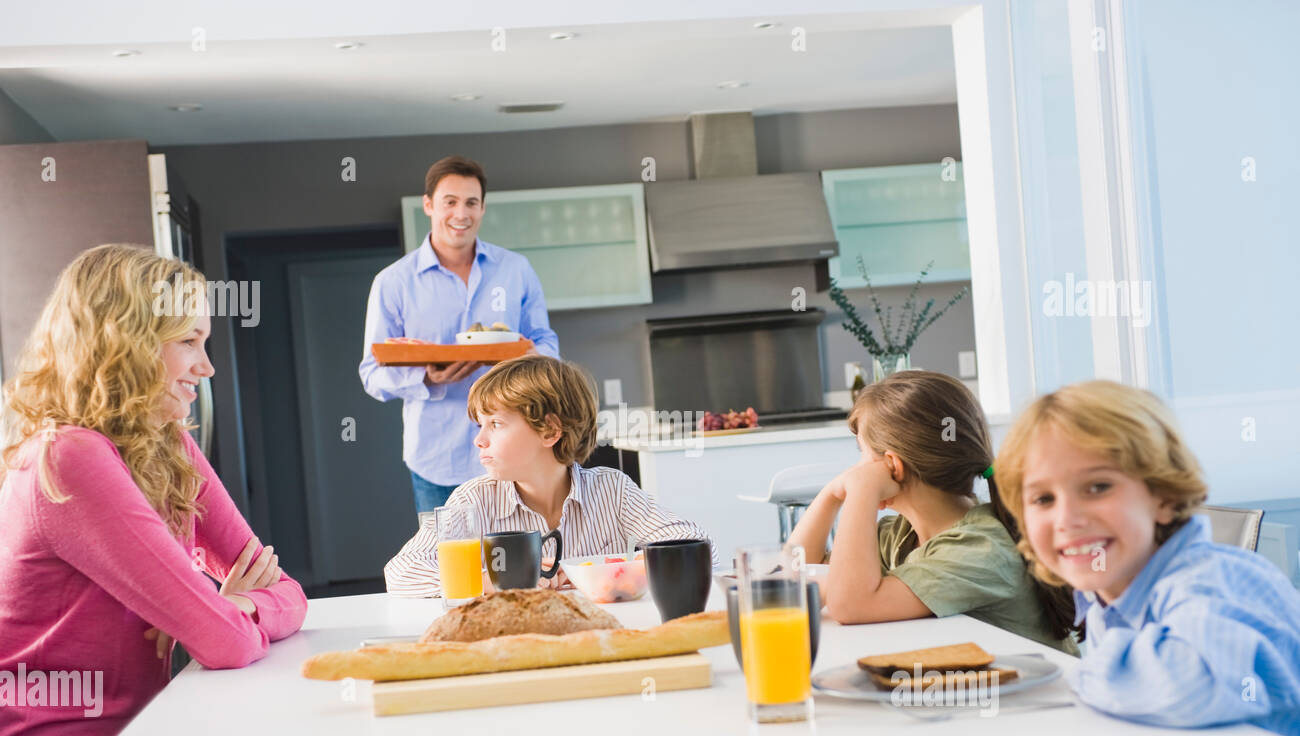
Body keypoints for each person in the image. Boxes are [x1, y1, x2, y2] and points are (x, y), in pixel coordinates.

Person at [0, 245, 308, 736]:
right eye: (189, 342)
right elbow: (219, 641)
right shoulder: (68, 456)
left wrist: (235, 607)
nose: (207, 367)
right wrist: (218, 613)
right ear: (129, 341)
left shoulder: (164, 443)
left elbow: (286, 593)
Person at [994, 379, 1300, 736]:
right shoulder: (1106, 599)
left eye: (1098, 487)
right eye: (1044, 499)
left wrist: (1084, 675)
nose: (1066, 519)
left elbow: (1189, 688)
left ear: (1164, 496)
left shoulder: (1209, 580)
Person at [787, 370, 1076, 652]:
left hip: (1041, 698)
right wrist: (831, 495)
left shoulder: (980, 548)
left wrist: (861, 491)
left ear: (893, 466)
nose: (855, 471)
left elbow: (849, 606)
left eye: (862, 453)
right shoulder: (900, 534)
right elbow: (794, 574)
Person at [384, 354, 716, 595]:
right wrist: (488, 580)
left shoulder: (612, 490)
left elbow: (695, 545)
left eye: (495, 424)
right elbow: (401, 571)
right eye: (479, 425)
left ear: (549, 431)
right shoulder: (475, 499)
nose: (479, 439)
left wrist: (615, 572)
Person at [359, 155, 560, 515]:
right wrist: (425, 377)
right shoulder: (393, 282)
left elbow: (546, 344)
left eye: (471, 202)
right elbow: (371, 374)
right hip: (437, 459)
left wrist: (529, 358)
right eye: (449, 202)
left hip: (515, 452)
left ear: (483, 208)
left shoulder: (515, 270)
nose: (461, 213)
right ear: (428, 205)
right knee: (450, 567)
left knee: (524, 562)